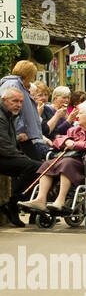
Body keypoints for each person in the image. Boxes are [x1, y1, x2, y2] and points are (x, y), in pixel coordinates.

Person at [23, 100, 86, 213]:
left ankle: (60, 201)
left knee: (67, 163)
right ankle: (40, 199)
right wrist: (66, 141)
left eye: (80, 113)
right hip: (75, 161)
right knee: (48, 164)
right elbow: (57, 140)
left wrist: (75, 145)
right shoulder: (74, 130)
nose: (77, 115)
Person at [0, 86, 42, 226]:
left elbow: (6, 141)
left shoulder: (7, 114)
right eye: (15, 101)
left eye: (20, 101)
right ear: (4, 100)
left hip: (5, 155)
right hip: (3, 156)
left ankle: (16, 204)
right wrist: (24, 159)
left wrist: (17, 138)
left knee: (37, 167)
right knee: (33, 167)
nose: (18, 105)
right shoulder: (1, 116)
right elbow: (4, 146)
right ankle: (13, 204)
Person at [1, 60, 51, 158]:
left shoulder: (17, 84)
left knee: (34, 164)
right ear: (28, 74)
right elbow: (13, 111)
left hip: (23, 134)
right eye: (33, 74)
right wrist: (19, 132)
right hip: (21, 135)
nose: (33, 77)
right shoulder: (13, 84)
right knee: (35, 165)